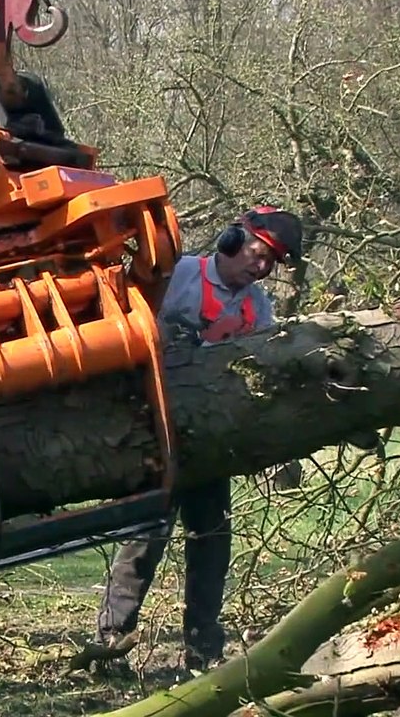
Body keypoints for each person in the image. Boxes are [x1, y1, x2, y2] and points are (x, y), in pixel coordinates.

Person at [92, 205, 304, 675]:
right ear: (232, 239)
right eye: (258, 253)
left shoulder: (257, 307)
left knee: (211, 543)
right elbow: (129, 334)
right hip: (156, 430)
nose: (261, 267)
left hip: (210, 443)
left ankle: (203, 651)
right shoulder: (179, 276)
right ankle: (111, 640)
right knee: (145, 538)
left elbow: (263, 378)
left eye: (271, 262)